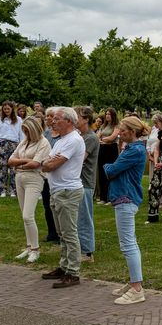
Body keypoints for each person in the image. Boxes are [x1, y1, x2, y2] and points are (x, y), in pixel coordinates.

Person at [103, 115, 150, 305]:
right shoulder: (131, 148)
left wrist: (107, 165)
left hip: (126, 197)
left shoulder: (135, 151)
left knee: (128, 244)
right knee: (129, 242)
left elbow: (111, 170)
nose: (119, 133)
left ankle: (137, 288)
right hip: (124, 197)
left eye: (122, 130)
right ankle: (133, 282)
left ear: (132, 132)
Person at [38, 107, 86, 288]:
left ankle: (73, 272)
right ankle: (64, 266)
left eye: (57, 118)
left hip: (68, 191)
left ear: (68, 121)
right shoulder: (61, 140)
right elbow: (48, 162)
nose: (53, 121)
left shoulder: (73, 140)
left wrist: (47, 163)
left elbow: (51, 165)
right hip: (57, 190)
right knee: (61, 233)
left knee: (69, 233)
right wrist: (47, 163)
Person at [7, 116, 51, 263]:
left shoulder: (43, 143)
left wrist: (20, 164)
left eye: (27, 130)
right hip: (19, 178)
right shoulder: (25, 142)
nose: (25, 133)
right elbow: (10, 160)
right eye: (24, 131)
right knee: (23, 214)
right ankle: (28, 246)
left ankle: (35, 249)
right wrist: (25, 162)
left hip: (34, 179)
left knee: (28, 215)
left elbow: (36, 163)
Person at [74, 107, 99, 263]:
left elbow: (79, 159)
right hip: (77, 182)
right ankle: (79, 248)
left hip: (85, 182)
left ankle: (87, 252)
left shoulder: (90, 138)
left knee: (84, 218)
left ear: (86, 119)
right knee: (77, 218)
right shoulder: (80, 136)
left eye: (78, 117)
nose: (75, 119)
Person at [0, 100, 22, 197]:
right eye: (4, 109)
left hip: (14, 145)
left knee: (14, 169)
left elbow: (21, 134)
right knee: (1, 168)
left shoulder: (18, 120)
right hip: (2, 144)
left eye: (8, 109)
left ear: (12, 109)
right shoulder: (0, 120)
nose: (6, 110)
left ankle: (13, 190)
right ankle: (2, 190)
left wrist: (21, 147)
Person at [39, 108, 60, 245]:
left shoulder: (63, 135)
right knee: (47, 204)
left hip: (57, 173)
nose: (48, 119)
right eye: (47, 116)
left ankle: (60, 234)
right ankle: (51, 232)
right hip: (45, 174)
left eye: (51, 116)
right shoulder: (45, 133)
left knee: (58, 205)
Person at [95, 108, 120, 205]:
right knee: (101, 172)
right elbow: (97, 136)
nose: (107, 116)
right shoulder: (104, 126)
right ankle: (103, 197)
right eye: (106, 114)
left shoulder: (117, 125)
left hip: (111, 149)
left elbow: (113, 137)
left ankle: (111, 197)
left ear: (113, 115)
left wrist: (103, 139)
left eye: (109, 114)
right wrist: (102, 139)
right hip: (102, 149)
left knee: (110, 173)